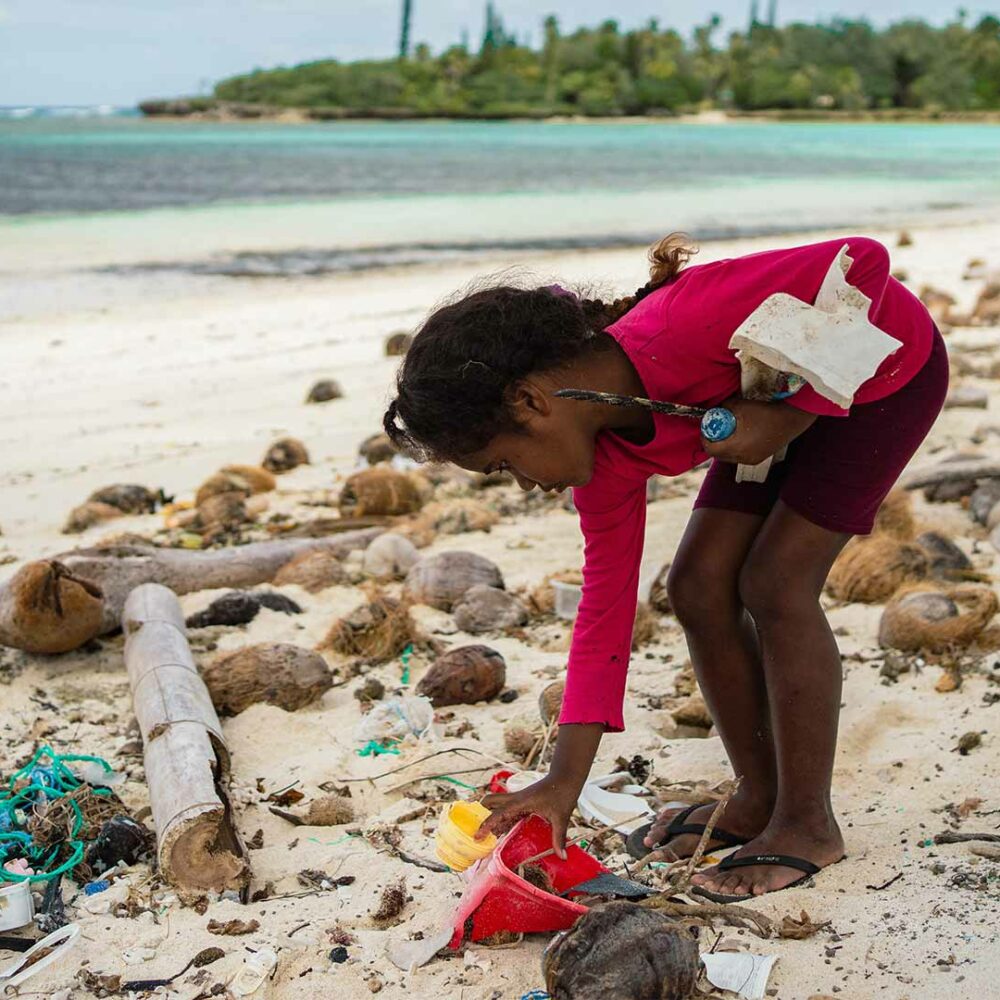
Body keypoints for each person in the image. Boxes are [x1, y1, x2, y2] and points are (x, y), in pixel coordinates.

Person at [382, 234, 948, 900]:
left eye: (505, 464)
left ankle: (807, 824)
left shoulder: (682, 324)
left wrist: (790, 416)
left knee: (775, 582)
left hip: (884, 376)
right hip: (763, 409)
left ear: (531, 403)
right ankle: (758, 795)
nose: (524, 484)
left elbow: (864, 259)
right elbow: (603, 611)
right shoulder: (606, 465)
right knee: (697, 586)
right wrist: (563, 780)